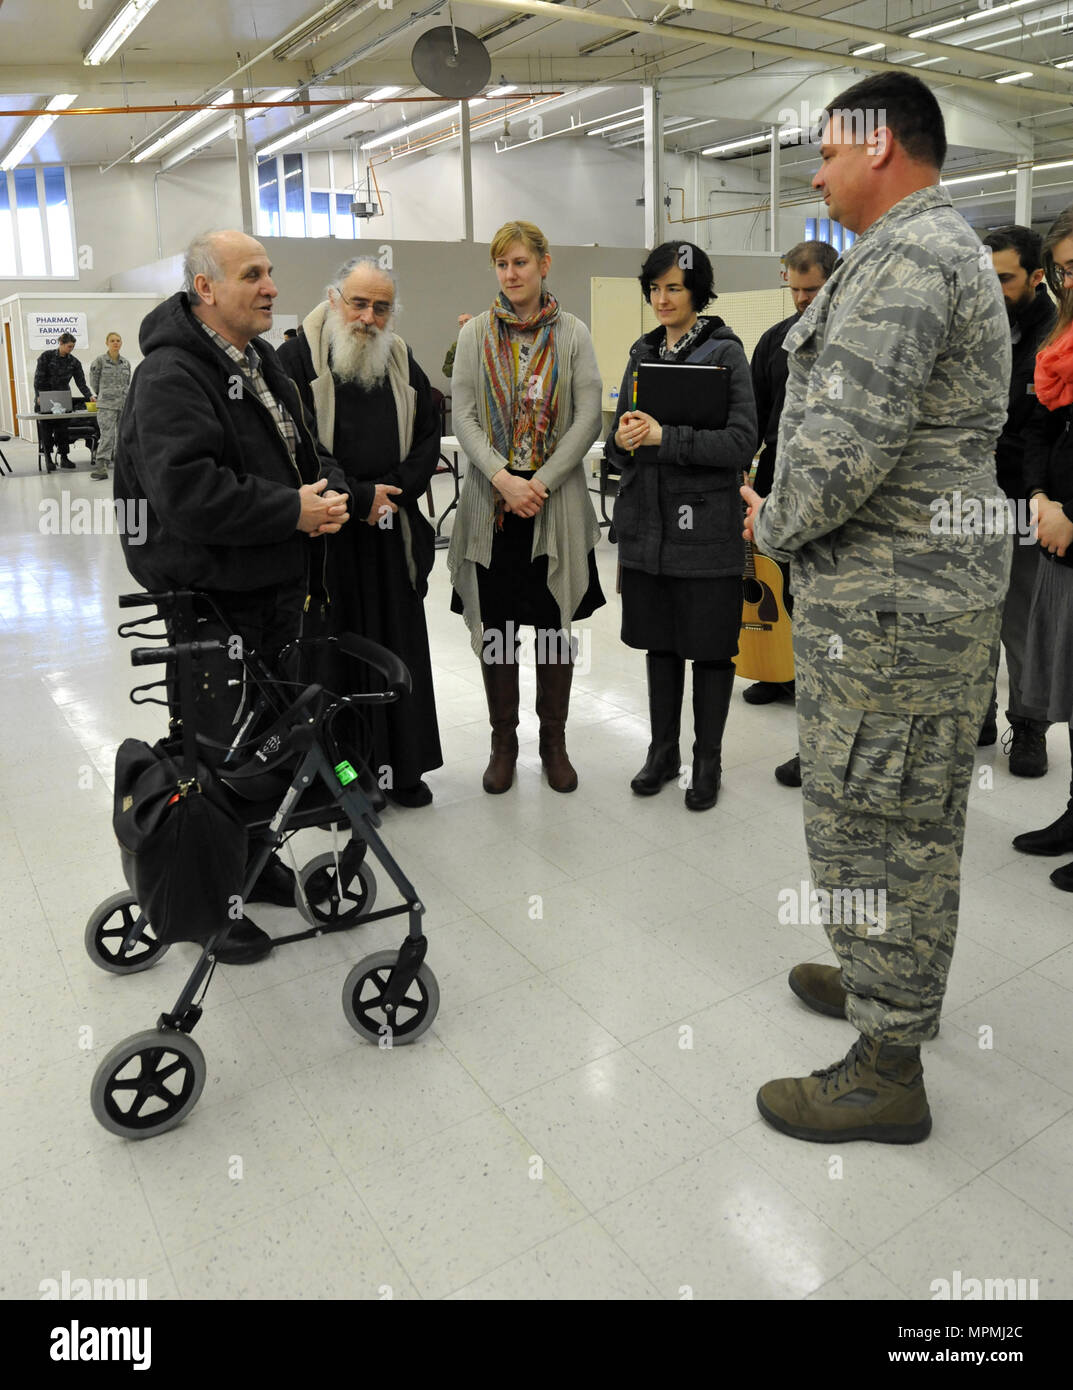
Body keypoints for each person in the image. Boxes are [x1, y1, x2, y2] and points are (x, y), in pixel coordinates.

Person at [741, 73, 1011, 1143]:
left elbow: (837, 456)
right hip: (901, 608)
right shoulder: (919, 252)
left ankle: (886, 1062)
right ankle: (877, 980)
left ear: (882, 147)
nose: (813, 172)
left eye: (824, 151)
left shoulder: (907, 261)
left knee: (877, 824)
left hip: (894, 616)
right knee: (896, 820)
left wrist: (767, 522)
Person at [114, 228, 350, 963]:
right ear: (205, 288)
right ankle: (215, 910)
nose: (272, 286)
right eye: (253, 274)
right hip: (211, 602)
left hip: (270, 591)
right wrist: (293, 512)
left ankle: (254, 866)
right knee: (216, 757)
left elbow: (305, 452)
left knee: (262, 750)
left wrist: (336, 490)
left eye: (271, 271)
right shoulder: (171, 375)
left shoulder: (259, 363)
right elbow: (189, 493)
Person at [279, 257, 443, 808]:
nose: (369, 317)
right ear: (333, 298)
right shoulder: (295, 358)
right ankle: (344, 782)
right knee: (336, 660)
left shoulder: (399, 358)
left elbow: (428, 429)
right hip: (329, 537)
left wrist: (393, 491)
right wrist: (361, 496)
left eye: (381, 307)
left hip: (390, 534)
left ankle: (404, 768)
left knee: (398, 648)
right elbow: (297, 447)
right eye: (359, 303)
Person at [448, 220, 604, 793]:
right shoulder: (475, 336)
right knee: (499, 632)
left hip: (553, 502)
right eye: (502, 264)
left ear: (544, 264)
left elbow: (588, 414)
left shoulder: (574, 333)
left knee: (554, 630)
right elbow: (462, 413)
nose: (511, 274)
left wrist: (537, 481)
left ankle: (554, 742)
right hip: (492, 509)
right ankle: (503, 742)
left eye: (520, 263)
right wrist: (502, 479)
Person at [604, 241, 757, 810]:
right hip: (648, 526)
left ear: (697, 290)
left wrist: (670, 438)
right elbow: (620, 436)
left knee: (711, 648)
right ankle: (662, 752)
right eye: (654, 288)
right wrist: (621, 441)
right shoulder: (641, 352)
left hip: (707, 529)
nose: (662, 298)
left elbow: (742, 441)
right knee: (660, 645)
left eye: (674, 287)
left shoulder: (725, 353)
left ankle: (707, 761)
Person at [744, 240, 838, 730]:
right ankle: (778, 672)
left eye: (813, 289)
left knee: (815, 591)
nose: (803, 299)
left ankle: (814, 682)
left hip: (824, 488)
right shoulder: (774, 341)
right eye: (796, 289)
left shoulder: (849, 342)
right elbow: (755, 417)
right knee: (775, 582)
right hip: (774, 482)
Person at [978, 225, 1056, 772]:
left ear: (1037, 276)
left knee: (1022, 618)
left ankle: (1028, 725)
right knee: (973, 611)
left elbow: (1042, 429)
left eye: (1003, 277)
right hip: (974, 495)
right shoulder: (980, 327)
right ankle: (974, 714)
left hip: (1027, 495)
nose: (993, 287)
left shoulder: (1056, 335)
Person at [1011, 207, 1073, 889]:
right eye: (1059, 269)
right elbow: (1034, 426)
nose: (1065, 280)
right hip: (1053, 533)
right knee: (1067, 685)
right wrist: (1037, 497)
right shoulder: (1058, 338)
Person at [34, 332, 94, 469]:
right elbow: (38, 379)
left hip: (63, 400)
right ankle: (48, 458)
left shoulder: (74, 362)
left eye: (72, 347)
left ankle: (64, 458)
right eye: (69, 346)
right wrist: (38, 396)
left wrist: (89, 396)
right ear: (60, 343)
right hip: (44, 398)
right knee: (46, 430)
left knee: (63, 430)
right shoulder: (46, 357)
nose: (70, 349)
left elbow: (81, 383)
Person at [89, 332, 132, 482]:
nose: (115, 343)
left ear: (121, 343)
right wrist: (103, 395)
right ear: (106, 343)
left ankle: (122, 464)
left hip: (123, 405)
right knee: (107, 436)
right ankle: (101, 467)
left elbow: (128, 383)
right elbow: (94, 382)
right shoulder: (100, 361)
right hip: (106, 405)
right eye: (112, 341)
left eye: (118, 341)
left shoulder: (126, 363)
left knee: (123, 435)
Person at [442, 313, 473, 379]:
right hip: (465, 382)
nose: (464, 324)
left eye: (467, 321)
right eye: (461, 323)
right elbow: (446, 370)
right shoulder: (456, 345)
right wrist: (457, 365)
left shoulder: (484, 340)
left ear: (474, 322)